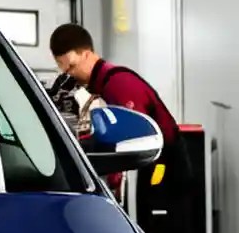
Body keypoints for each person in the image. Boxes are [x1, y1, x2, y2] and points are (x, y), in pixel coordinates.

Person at [48, 23, 189, 196]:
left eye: (71, 67)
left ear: (86, 54)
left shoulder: (118, 85)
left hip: (164, 170)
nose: (70, 75)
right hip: (153, 165)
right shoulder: (100, 85)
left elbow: (130, 142)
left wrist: (111, 183)